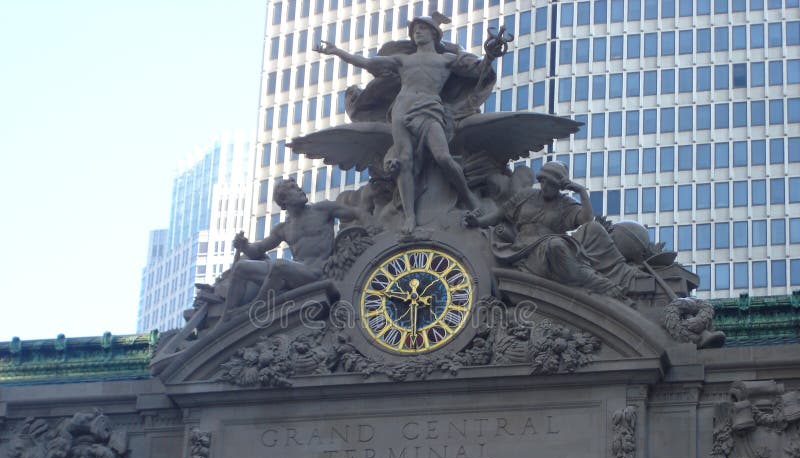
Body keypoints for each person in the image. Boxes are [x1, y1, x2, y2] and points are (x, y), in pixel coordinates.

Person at [316, 14, 494, 233]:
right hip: (402, 109)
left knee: (443, 156)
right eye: (414, 30)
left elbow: (479, 70)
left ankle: (468, 198)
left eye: (421, 29)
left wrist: (491, 56)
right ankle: (409, 216)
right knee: (404, 161)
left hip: (430, 107)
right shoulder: (403, 60)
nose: (417, 32)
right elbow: (368, 63)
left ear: (433, 33)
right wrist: (337, 52)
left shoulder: (446, 59)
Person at [464, 162, 646, 301]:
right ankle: (594, 282)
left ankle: (622, 272)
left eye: (551, 184)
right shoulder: (525, 195)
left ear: (560, 185)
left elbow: (586, 220)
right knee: (556, 245)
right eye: (543, 182)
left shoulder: (565, 203)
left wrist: (581, 191)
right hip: (525, 250)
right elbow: (498, 215)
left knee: (594, 229)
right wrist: (478, 221)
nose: (546, 187)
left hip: (551, 245)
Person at [220, 179, 362, 319]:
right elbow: (257, 250)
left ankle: (255, 310)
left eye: (298, 186)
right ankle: (227, 318)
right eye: (293, 188)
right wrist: (244, 245)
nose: (300, 189)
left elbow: (357, 213)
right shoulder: (283, 228)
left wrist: (373, 228)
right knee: (241, 267)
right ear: (284, 202)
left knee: (279, 265)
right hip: (294, 276)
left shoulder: (322, 209)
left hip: (318, 273)